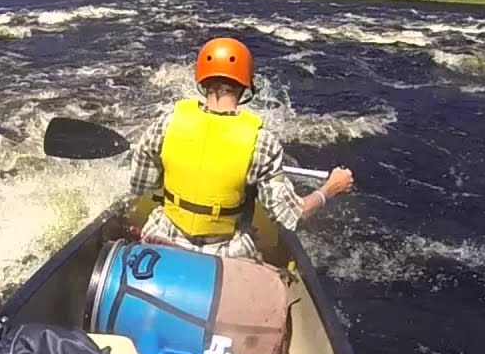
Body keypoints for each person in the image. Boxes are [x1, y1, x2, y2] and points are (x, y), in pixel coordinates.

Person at [127, 37, 354, 260]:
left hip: (161, 240)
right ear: (246, 84)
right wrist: (330, 189)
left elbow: (140, 184)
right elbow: (292, 215)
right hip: (225, 257)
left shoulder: (166, 125)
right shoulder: (262, 142)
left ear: (201, 81)